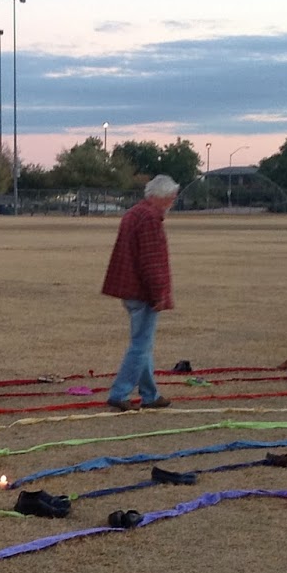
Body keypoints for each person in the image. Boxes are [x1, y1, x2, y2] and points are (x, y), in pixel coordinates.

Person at [101, 174, 179, 411]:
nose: (172, 202)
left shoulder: (134, 213)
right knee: (140, 345)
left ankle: (150, 394)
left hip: (130, 289)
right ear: (161, 197)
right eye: (171, 197)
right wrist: (159, 294)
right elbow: (151, 262)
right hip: (142, 291)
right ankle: (119, 393)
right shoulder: (149, 218)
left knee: (143, 344)